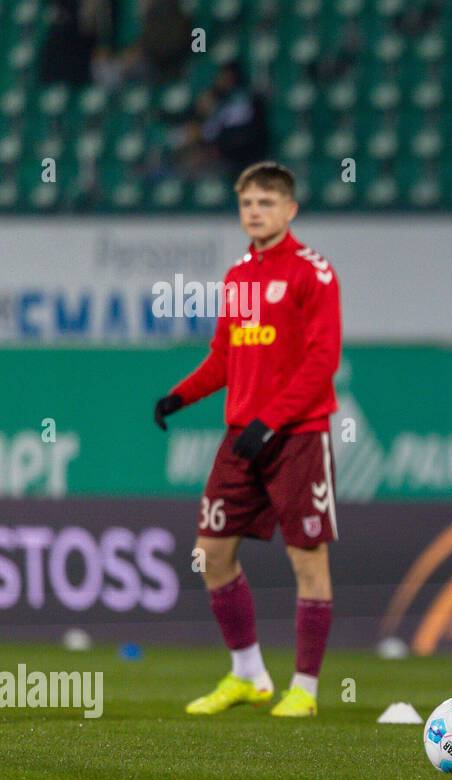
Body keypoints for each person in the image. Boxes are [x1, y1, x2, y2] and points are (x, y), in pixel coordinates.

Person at [153, 161, 342, 719]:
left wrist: (273, 419)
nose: (255, 212)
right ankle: (248, 674)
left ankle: (304, 688)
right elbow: (224, 357)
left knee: (307, 558)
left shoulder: (315, 273)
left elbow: (321, 361)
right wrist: (181, 396)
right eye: (247, 204)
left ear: (290, 209)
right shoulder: (239, 277)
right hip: (243, 436)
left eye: (265, 202)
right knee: (211, 554)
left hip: (298, 437)